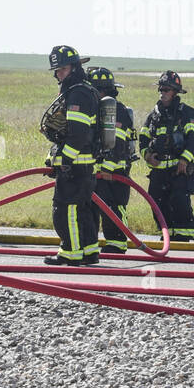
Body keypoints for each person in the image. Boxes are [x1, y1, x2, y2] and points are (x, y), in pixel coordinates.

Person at [39, 46, 100, 266]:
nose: (58, 74)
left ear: (74, 67)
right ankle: (89, 251)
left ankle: (71, 252)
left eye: (62, 69)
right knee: (82, 210)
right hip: (82, 164)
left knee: (66, 210)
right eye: (56, 70)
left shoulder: (78, 93)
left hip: (75, 164)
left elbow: (78, 133)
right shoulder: (81, 89)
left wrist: (65, 159)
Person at [138, 71, 194, 242]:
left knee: (180, 202)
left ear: (175, 92)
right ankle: (166, 234)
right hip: (158, 170)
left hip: (178, 169)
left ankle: (183, 237)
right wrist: (147, 156)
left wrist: (185, 159)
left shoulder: (186, 113)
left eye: (167, 90)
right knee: (157, 202)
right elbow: (143, 139)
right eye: (161, 89)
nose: (163, 93)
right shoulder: (154, 115)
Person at [86, 66, 138, 254]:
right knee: (92, 206)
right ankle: (90, 244)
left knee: (114, 207)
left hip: (115, 171)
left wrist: (107, 168)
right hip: (97, 171)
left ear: (102, 90)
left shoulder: (118, 110)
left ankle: (117, 243)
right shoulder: (96, 109)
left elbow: (118, 143)